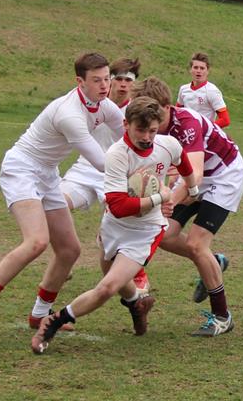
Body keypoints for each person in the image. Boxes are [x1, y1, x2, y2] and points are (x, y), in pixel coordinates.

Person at [0, 53, 115, 337]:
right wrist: (140, 169)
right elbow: (103, 163)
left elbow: (126, 131)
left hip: (47, 173)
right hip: (22, 168)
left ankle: (40, 313)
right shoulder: (70, 113)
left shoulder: (104, 105)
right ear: (79, 82)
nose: (104, 86)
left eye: (107, 79)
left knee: (69, 250)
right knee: (37, 241)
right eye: (96, 80)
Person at [31, 97, 200, 355]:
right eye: (140, 130)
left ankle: (54, 322)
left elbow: (184, 162)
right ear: (125, 124)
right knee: (116, 280)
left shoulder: (167, 145)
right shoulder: (117, 155)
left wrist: (193, 187)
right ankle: (137, 304)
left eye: (152, 130)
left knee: (107, 287)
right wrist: (161, 197)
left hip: (146, 231)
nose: (146, 136)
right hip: (115, 225)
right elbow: (120, 208)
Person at [133, 76, 243, 337]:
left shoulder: (187, 124)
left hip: (223, 175)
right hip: (193, 178)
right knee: (165, 235)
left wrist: (168, 201)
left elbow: (195, 174)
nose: (151, 121)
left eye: (156, 113)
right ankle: (213, 262)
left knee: (196, 244)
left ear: (168, 105)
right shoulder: (152, 126)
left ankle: (222, 317)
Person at [56, 58, 152, 314]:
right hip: (87, 168)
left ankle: (137, 276)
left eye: (127, 80)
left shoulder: (137, 112)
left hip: (117, 172)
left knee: (119, 228)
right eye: (117, 79)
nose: (121, 85)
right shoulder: (94, 103)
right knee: (55, 203)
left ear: (134, 84)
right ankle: (64, 259)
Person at [178, 53, 229, 126]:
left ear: (207, 71)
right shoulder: (183, 89)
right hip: (187, 134)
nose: (198, 71)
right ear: (190, 70)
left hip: (204, 136)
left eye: (202, 68)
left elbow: (225, 120)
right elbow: (177, 113)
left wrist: (205, 129)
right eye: (195, 67)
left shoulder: (212, 91)